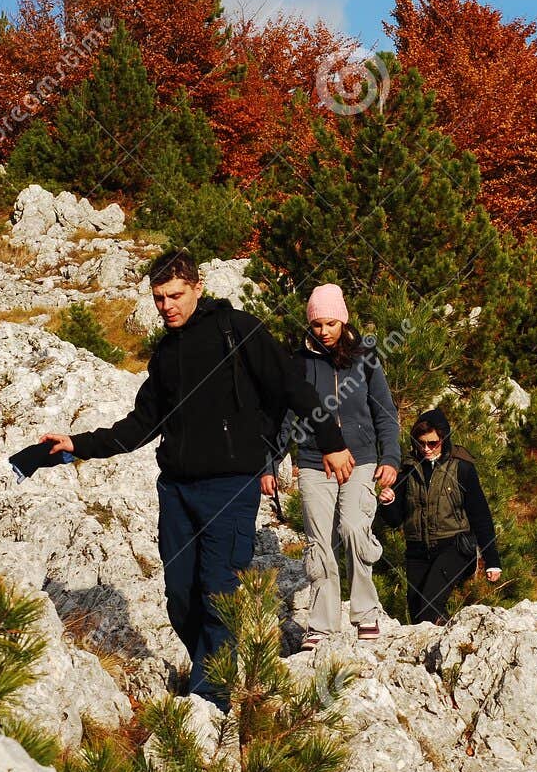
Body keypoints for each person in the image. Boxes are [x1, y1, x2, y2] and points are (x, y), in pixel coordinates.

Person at [37, 249, 353, 706]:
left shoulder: (239, 330)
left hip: (231, 487)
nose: (167, 306)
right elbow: (141, 424)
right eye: (158, 298)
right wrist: (78, 444)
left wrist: (332, 441)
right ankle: (212, 674)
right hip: (177, 492)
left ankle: (213, 698)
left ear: (198, 287)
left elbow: (293, 388)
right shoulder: (166, 354)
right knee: (179, 598)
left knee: (217, 592)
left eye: (175, 295)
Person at [261, 284, 400, 650]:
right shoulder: (299, 362)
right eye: (317, 324)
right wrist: (270, 463)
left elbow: (385, 411)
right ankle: (320, 625)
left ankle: (366, 612)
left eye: (330, 324)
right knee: (319, 542)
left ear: (343, 320)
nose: (323, 331)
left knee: (354, 527)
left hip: (363, 459)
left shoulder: (366, 357)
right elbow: (284, 417)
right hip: (312, 460)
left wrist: (391, 459)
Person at [377, 407, 501, 625]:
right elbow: (395, 520)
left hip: (454, 547)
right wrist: (388, 502)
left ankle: (451, 645)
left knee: (429, 606)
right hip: (416, 551)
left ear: (444, 439)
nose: (426, 449)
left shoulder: (462, 467)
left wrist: (492, 561)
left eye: (432, 443)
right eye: (421, 443)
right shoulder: (406, 470)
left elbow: (480, 514)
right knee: (417, 617)